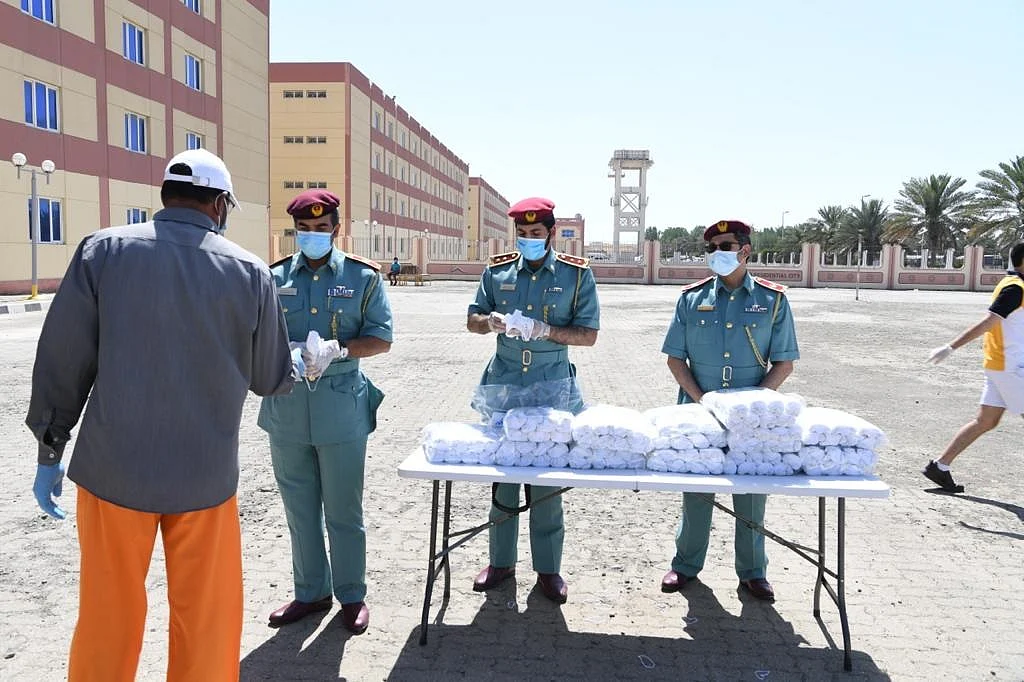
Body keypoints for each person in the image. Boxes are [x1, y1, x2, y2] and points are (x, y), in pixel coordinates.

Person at [25, 148, 299, 682]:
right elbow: (270, 379)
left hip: (112, 475)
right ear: (219, 205)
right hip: (205, 482)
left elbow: (63, 359)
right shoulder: (249, 271)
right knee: (206, 620)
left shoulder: (101, 252)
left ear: (165, 196)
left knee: (108, 614)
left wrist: (49, 448)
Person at [258, 190, 392, 635]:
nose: (312, 236)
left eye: (321, 228)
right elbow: (253, 334)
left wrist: (339, 349)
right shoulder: (271, 277)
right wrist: (283, 352)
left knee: (343, 509)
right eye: (304, 229)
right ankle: (311, 591)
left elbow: (382, 338)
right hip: (287, 405)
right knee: (299, 509)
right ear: (293, 232)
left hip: (341, 407)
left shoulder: (363, 278)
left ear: (336, 228)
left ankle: (351, 595)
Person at [466, 196, 600, 604]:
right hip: (504, 382)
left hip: (552, 382)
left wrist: (546, 330)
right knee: (502, 478)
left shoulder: (577, 275)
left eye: (535, 234)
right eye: (521, 235)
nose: (527, 240)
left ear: (551, 234)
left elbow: (589, 334)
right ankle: (501, 563)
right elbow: (471, 319)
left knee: (546, 481)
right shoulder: (497, 270)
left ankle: (548, 569)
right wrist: (488, 323)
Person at [659, 219, 800, 603]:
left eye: (725, 245)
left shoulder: (773, 301)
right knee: (697, 492)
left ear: (745, 250)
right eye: (712, 248)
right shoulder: (691, 297)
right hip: (698, 410)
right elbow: (675, 358)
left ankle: (753, 572)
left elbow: (784, 363)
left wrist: (752, 405)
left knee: (751, 492)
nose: (717, 253)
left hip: (751, 418)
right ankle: (686, 566)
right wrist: (702, 399)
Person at [924, 242, 1024, 492]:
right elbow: (989, 322)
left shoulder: (1014, 285)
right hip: (1011, 367)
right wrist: (951, 347)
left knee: (986, 421)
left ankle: (940, 466)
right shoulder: (1015, 289)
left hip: (999, 366)